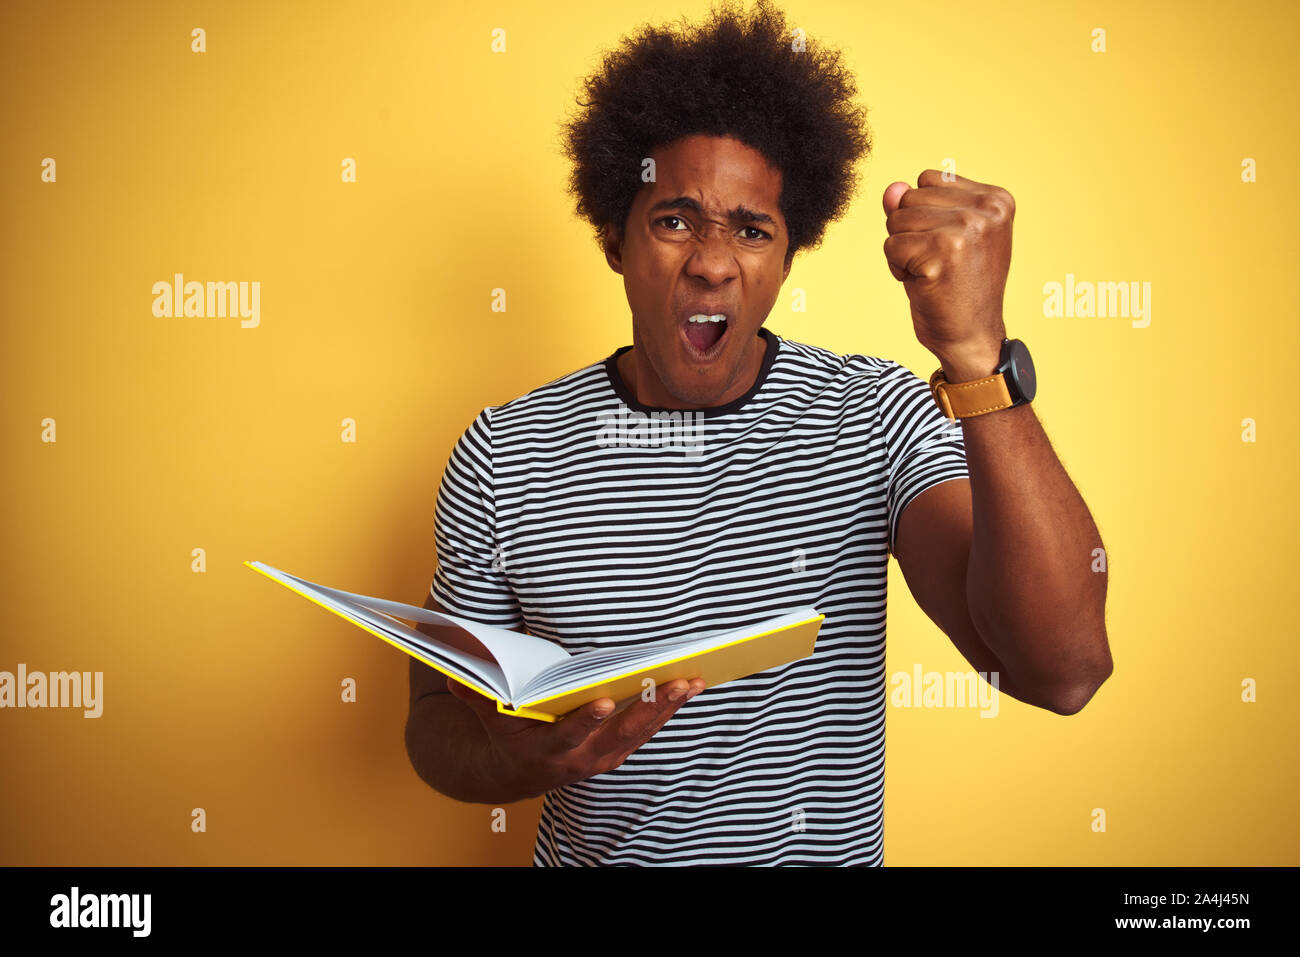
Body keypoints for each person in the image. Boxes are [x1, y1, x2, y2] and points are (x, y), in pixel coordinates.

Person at [404, 0, 1112, 866]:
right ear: (615, 239)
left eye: (751, 229)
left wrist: (976, 357)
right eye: (674, 219)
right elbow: (436, 722)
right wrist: (513, 757)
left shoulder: (872, 415)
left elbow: (1063, 671)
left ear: (785, 258)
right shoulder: (503, 453)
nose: (711, 260)